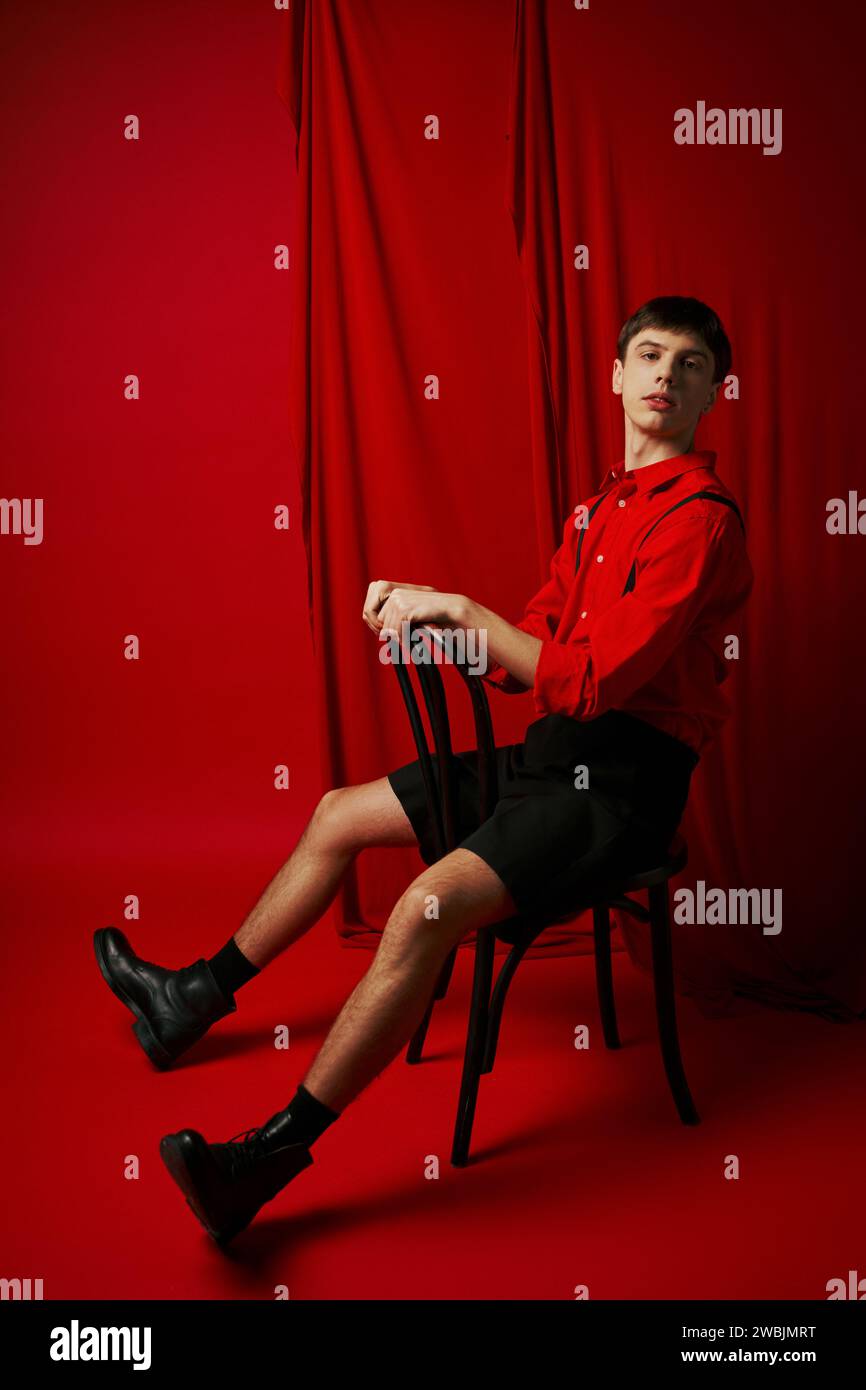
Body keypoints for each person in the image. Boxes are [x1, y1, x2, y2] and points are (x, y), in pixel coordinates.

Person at [93, 294, 753, 1247]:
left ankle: (262, 1161)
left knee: (424, 907)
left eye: (690, 364)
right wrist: (429, 619)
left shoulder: (699, 520)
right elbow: (532, 642)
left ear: (713, 390)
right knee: (334, 815)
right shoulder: (601, 506)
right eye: (648, 355)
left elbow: (591, 679)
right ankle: (187, 999)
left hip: (623, 786)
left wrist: (464, 608)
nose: (665, 375)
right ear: (615, 375)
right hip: (558, 756)